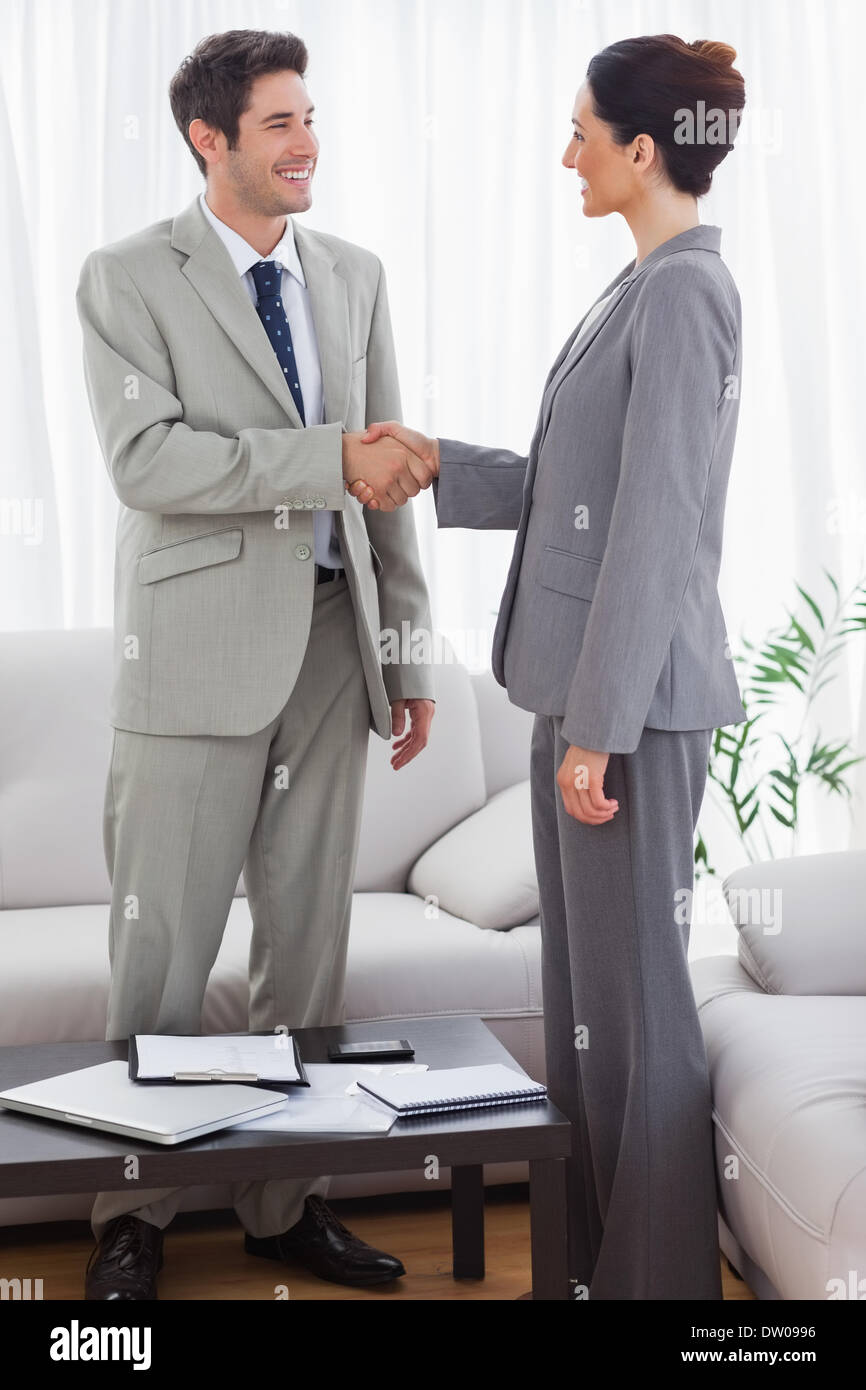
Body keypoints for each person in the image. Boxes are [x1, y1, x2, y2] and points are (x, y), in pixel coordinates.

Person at [355, 34, 748, 1299]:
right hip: (578, 699)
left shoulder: (685, 291)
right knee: (585, 1021)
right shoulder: (634, 287)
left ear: (642, 151)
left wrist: (600, 724)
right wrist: (439, 462)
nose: (564, 153)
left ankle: (659, 1292)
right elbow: (576, 491)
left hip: (622, 710)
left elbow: (655, 521)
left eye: (582, 132)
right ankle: (581, 1280)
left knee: (636, 1021)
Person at [76, 28, 436, 1300]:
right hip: (189, 656)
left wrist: (406, 646)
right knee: (164, 954)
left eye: (311, 118)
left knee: (306, 946)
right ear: (209, 140)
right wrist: (325, 458)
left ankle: (290, 1203)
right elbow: (150, 464)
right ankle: (137, 1217)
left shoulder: (355, 274)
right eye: (279, 124)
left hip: (336, 650)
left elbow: (388, 475)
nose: (306, 146)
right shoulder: (126, 277)